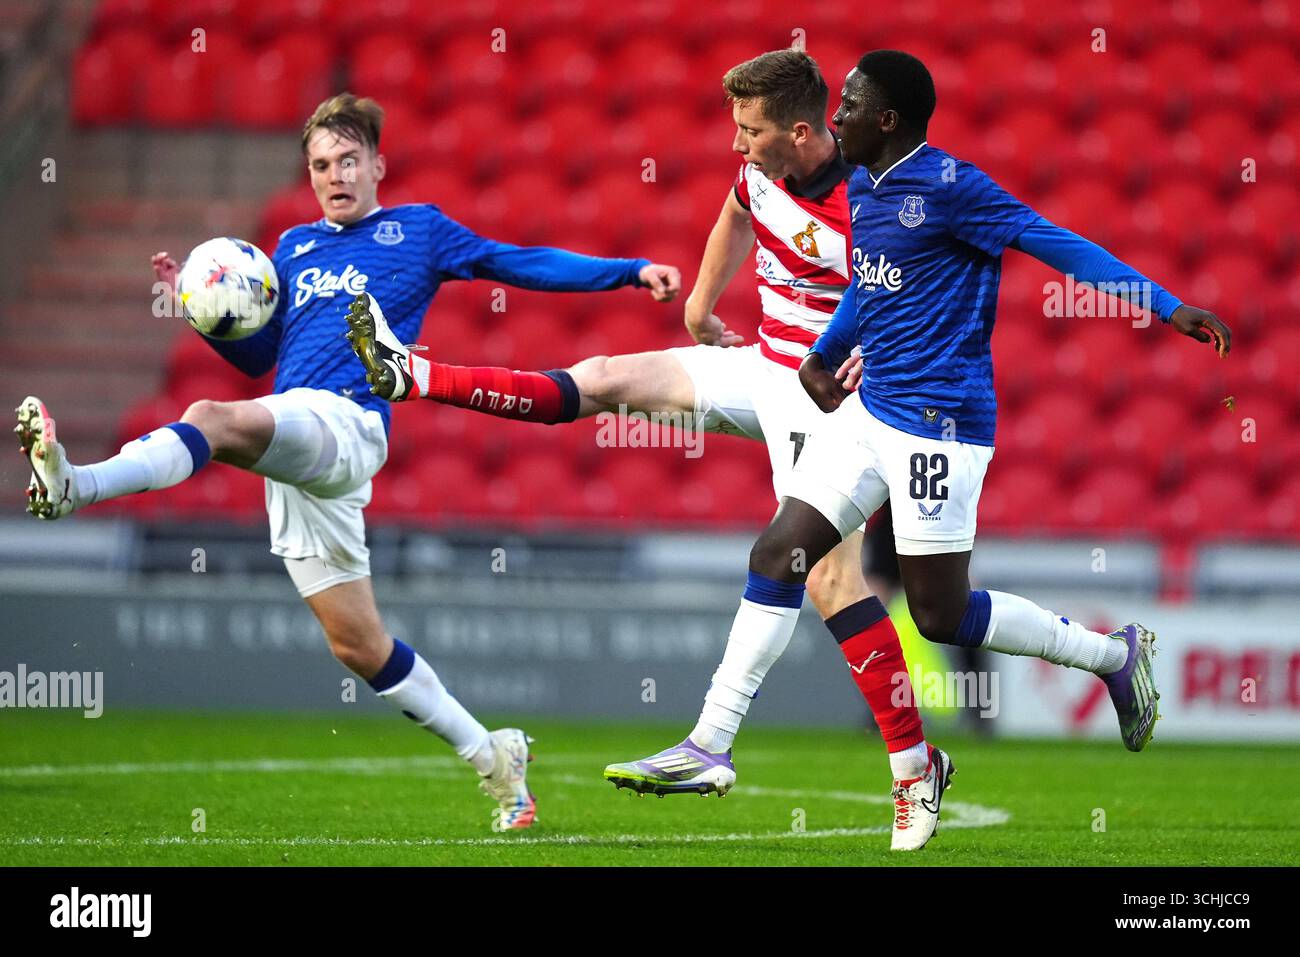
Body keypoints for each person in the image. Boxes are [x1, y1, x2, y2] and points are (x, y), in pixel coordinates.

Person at [16, 92, 682, 832]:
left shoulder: (419, 231)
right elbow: (263, 359)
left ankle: (77, 485)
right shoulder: (293, 250)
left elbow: (517, 263)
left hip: (350, 423)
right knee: (358, 644)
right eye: (320, 165)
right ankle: (496, 758)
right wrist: (201, 312)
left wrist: (628, 269)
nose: (334, 175)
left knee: (206, 418)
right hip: (296, 439)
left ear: (376, 164)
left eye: (347, 161)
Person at [604, 48, 1231, 827]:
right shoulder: (864, 188)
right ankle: (710, 742)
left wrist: (1164, 304)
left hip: (941, 427)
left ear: (887, 119)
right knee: (778, 553)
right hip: (869, 417)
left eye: (852, 106)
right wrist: (823, 358)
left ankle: (1112, 654)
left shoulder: (953, 188)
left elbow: (1054, 242)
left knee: (939, 612)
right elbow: (873, 285)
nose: (836, 119)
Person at [345, 51, 949, 850]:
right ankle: (417, 372)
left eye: (750, 130)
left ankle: (910, 767)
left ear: (801, 132)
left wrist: (875, 364)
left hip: (830, 399)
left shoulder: (867, 205)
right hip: (759, 366)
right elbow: (738, 208)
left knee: (832, 580)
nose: (737, 144)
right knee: (599, 377)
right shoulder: (762, 172)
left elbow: (915, 301)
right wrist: (703, 303)